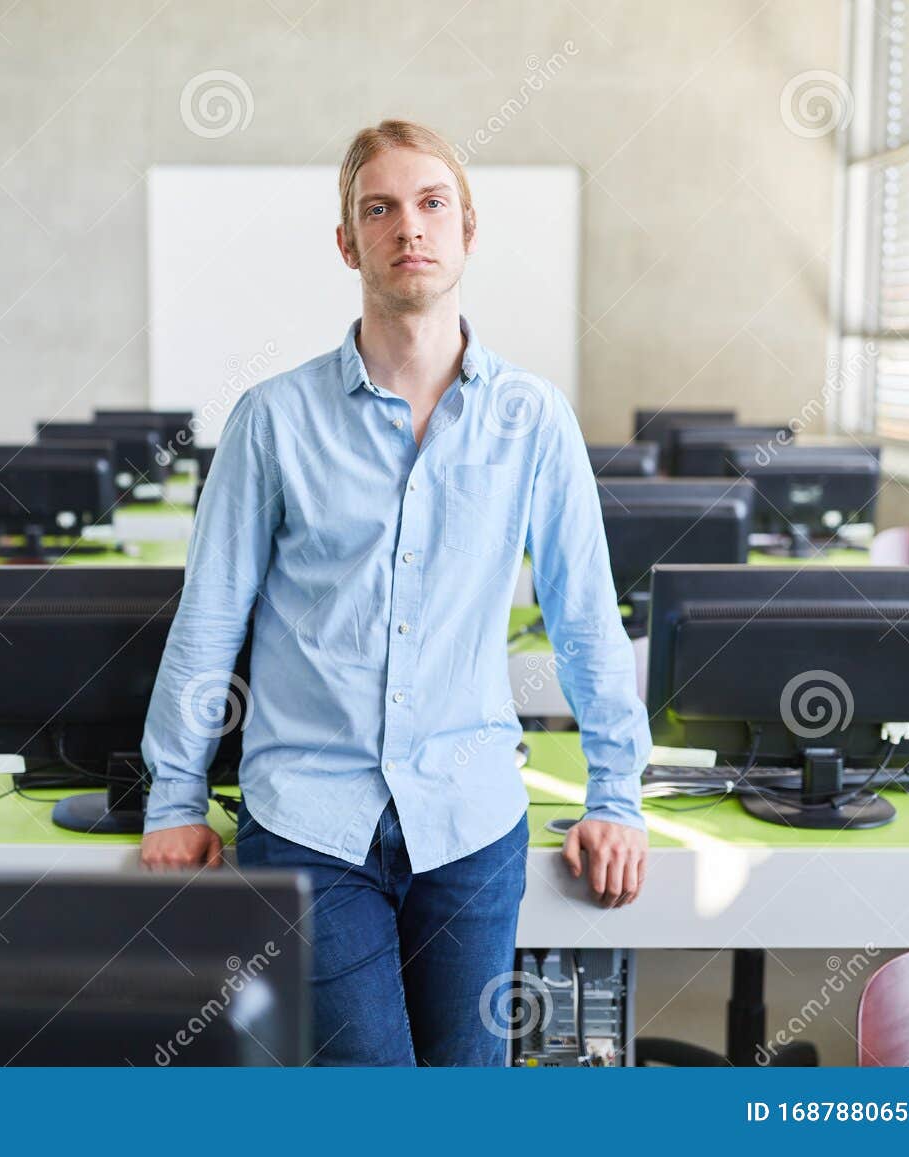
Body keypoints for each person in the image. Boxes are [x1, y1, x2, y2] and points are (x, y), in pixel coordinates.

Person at [140, 119, 650, 1066]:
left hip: (470, 821)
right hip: (308, 821)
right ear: (348, 242)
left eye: (430, 203)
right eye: (379, 208)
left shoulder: (532, 418)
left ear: (467, 231)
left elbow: (586, 619)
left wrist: (615, 792)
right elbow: (209, 622)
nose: (407, 227)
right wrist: (175, 794)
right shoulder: (274, 419)